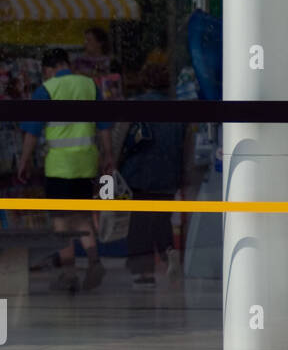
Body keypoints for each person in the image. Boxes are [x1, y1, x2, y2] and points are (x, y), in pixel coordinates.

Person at [17, 47, 114, 293]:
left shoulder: (47, 90)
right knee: (82, 216)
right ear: (66, 64)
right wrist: (108, 155)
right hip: (86, 162)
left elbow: (32, 131)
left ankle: (69, 273)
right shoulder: (90, 86)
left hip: (60, 165)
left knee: (60, 220)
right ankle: (94, 262)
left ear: (49, 69)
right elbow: (104, 126)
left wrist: (24, 161)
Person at [119, 61, 184, 288]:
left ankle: (143, 272)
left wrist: (111, 164)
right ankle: (168, 252)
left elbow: (121, 139)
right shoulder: (178, 108)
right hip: (168, 174)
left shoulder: (134, 105)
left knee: (139, 224)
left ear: (144, 81)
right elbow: (184, 144)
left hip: (139, 173)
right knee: (160, 218)